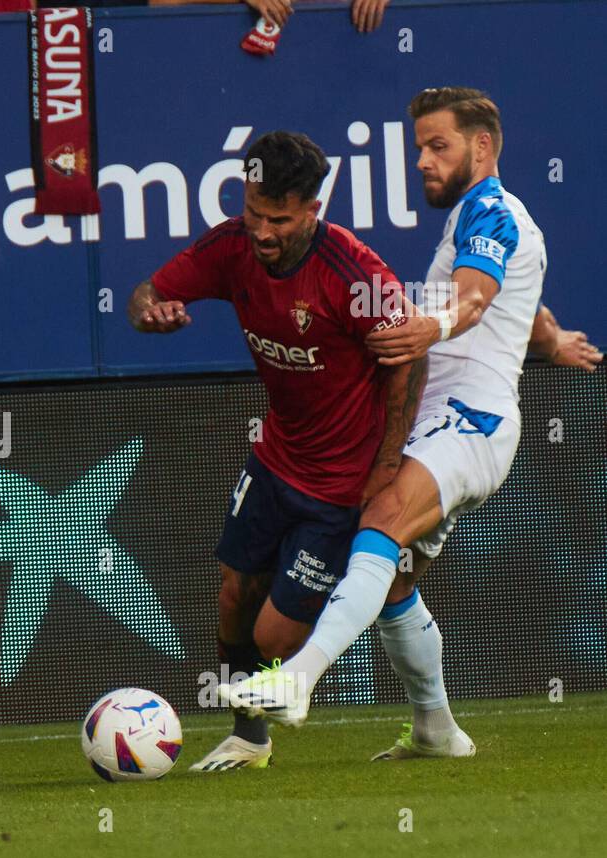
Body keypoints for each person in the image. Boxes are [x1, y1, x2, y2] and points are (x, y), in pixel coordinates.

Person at [220, 88, 602, 759]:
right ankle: (436, 730)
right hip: (445, 421)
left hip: (470, 420)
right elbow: (515, 300)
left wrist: (435, 323)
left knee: (382, 517)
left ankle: (297, 680)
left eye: (438, 145)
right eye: (418, 146)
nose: (422, 160)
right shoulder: (488, 220)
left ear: (482, 147)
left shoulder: (490, 209)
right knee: (393, 579)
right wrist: (553, 341)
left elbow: (476, 295)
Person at [129, 130, 422, 771]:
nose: (262, 230)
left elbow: (409, 357)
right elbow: (143, 294)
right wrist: (151, 311)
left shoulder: (355, 273)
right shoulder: (231, 246)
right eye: (254, 212)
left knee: (271, 636)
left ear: (312, 210)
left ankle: (375, 618)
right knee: (233, 596)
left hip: (341, 487)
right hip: (274, 459)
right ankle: (248, 738)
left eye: (280, 220)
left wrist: (388, 464)